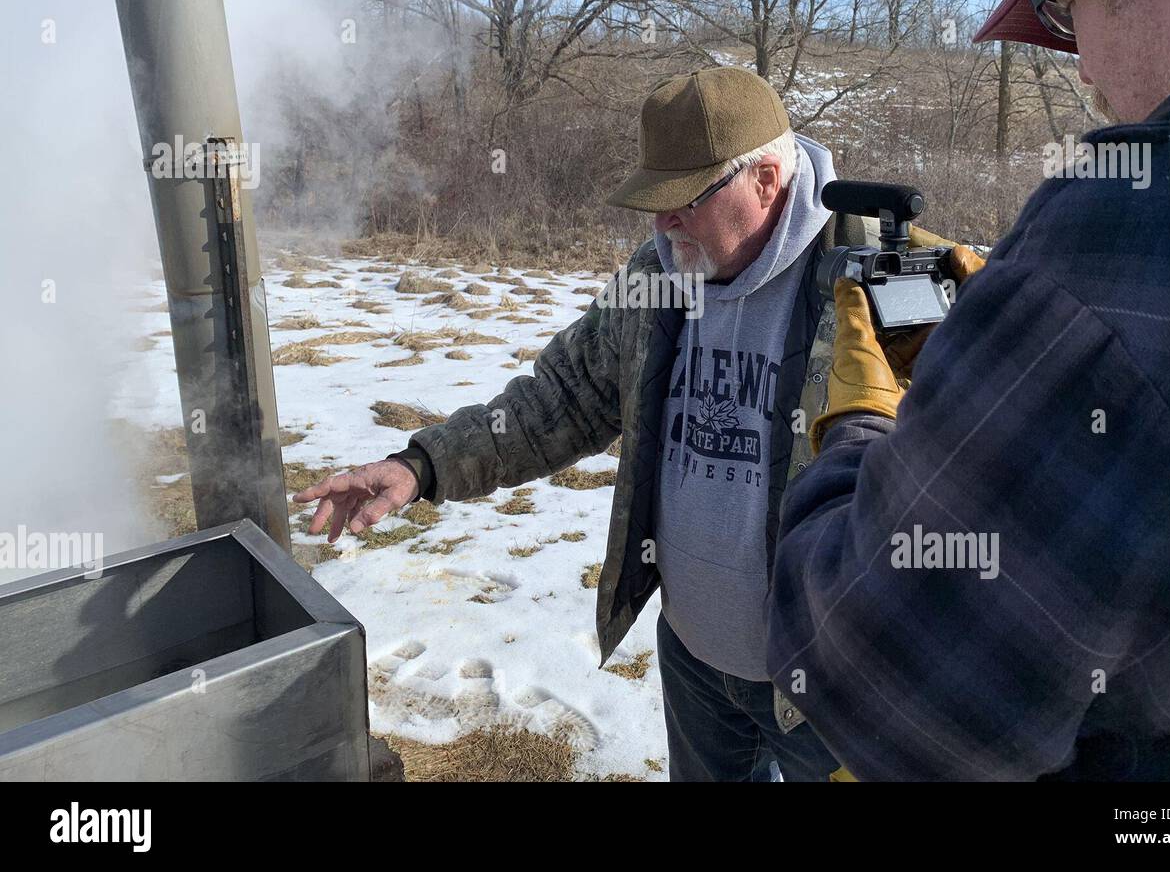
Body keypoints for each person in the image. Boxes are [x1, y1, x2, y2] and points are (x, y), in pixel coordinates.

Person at [766, 0, 1170, 781]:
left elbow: (870, 671)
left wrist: (867, 419)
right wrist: (1016, 360)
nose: (1078, 63)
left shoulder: (1161, 225)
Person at [294, 66, 957, 781]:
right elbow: (566, 395)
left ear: (767, 178)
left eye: (682, 202)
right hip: (694, 663)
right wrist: (422, 464)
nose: (662, 223)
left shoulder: (883, 276)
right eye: (654, 203)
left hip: (828, 684)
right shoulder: (663, 271)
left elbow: (985, 457)